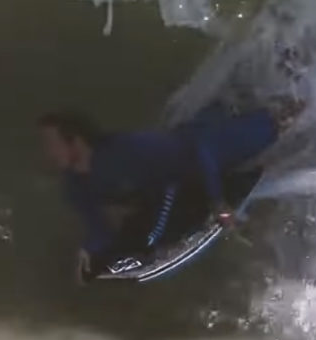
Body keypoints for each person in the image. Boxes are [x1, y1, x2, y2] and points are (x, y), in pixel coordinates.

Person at [36, 103, 287, 283]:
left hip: (209, 149)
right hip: (173, 189)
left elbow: (196, 151)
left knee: (281, 121)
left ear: (76, 142)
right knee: (135, 239)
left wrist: (218, 202)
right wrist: (89, 250)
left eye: (51, 144)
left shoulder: (125, 150)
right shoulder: (75, 186)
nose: (47, 152)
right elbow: (101, 230)